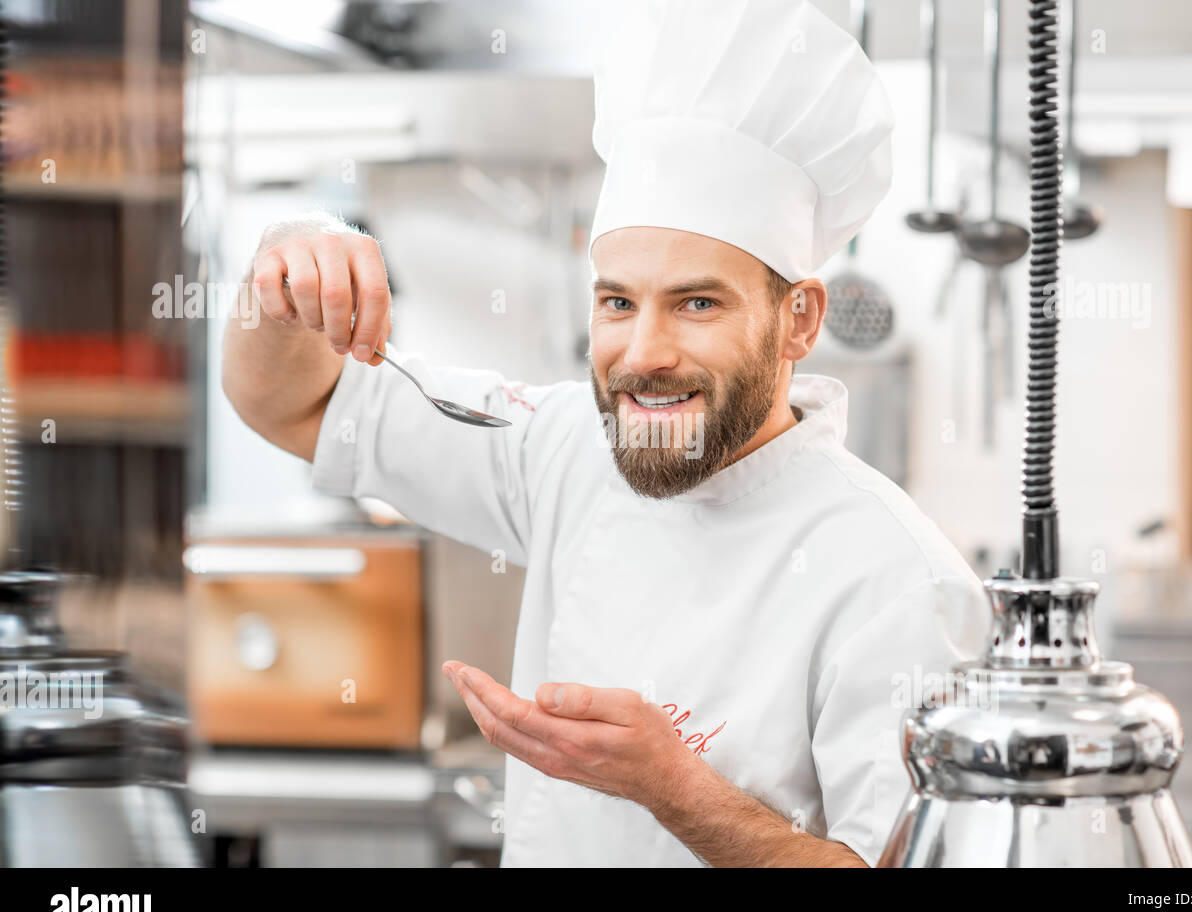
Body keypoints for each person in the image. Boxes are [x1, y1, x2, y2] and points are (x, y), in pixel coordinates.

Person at [223, 0, 989, 867]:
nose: (644, 353)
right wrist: (290, 259)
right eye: (618, 301)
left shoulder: (900, 582)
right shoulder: (559, 448)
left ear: (799, 318)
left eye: (697, 302)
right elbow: (290, 403)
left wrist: (674, 786)